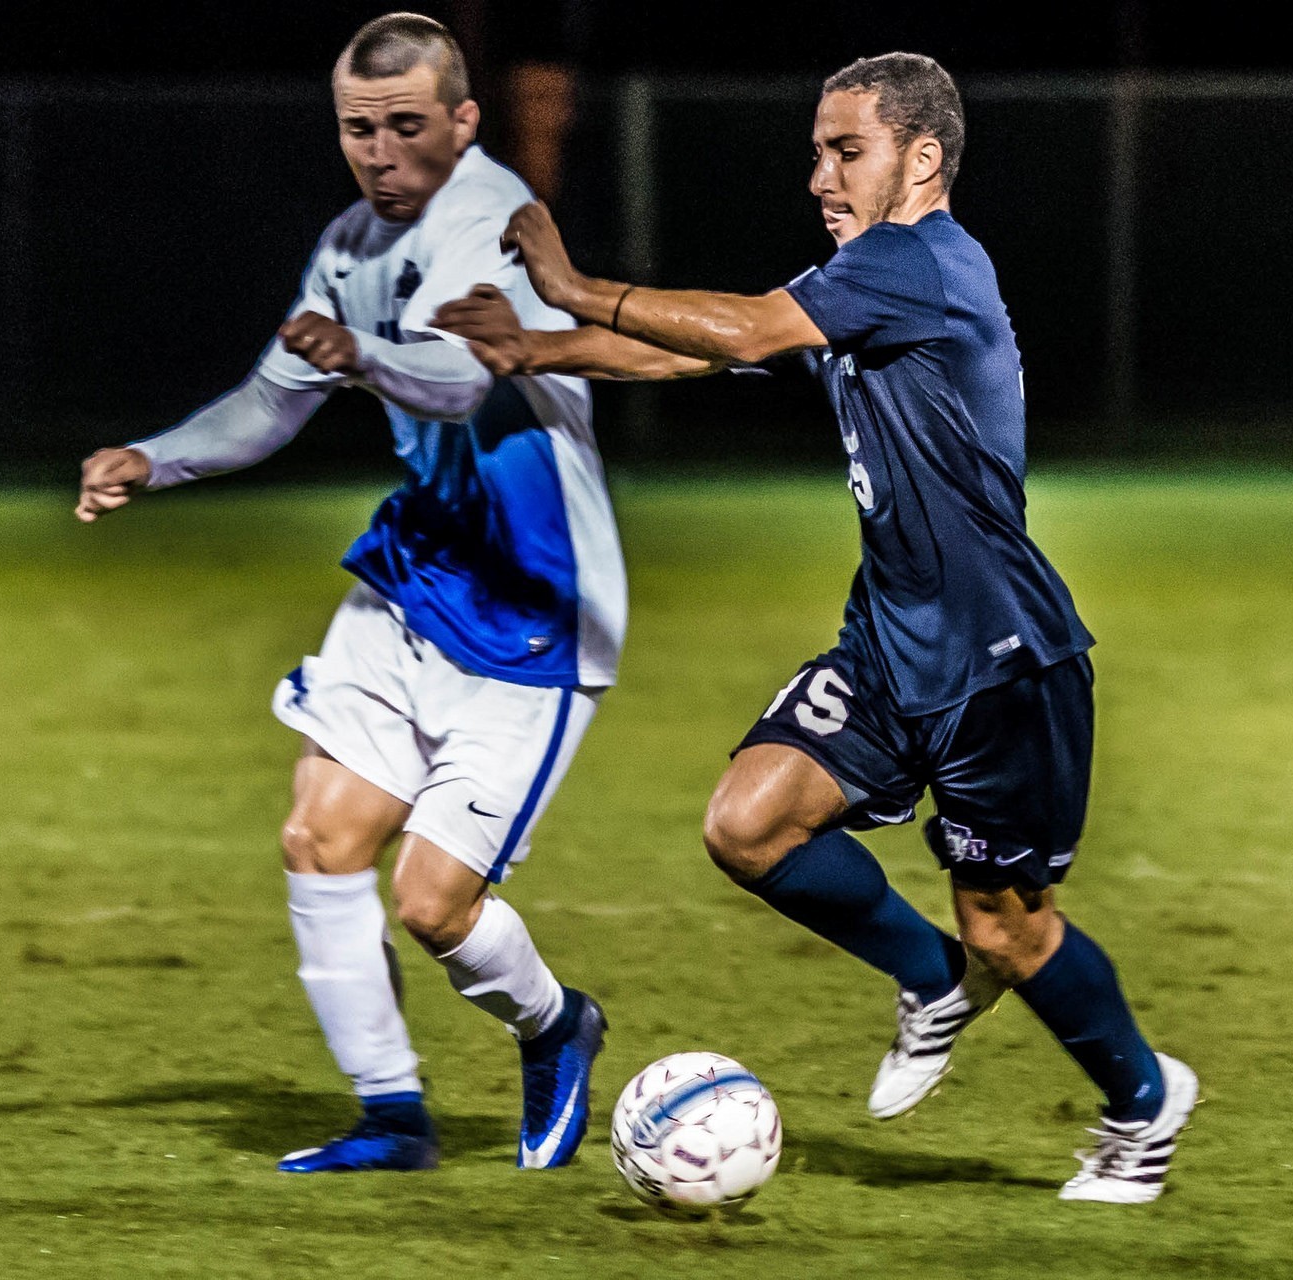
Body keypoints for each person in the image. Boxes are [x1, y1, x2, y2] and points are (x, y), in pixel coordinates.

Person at [435, 51, 1197, 1204]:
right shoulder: (866, 277)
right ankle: (927, 980)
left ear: (921, 158)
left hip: (998, 659)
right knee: (748, 823)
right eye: (816, 153)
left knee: (1009, 931)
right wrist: (544, 349)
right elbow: (705, 344)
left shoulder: (923, 263)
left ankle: (1141, 1101)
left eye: (847, 151)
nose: (820, 176)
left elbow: (742, 331)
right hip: (892, 641)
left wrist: (575, 288)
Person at [75, 12, 621, 1175]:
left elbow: (464, 381)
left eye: (406, 127)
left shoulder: (495, 221)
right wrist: (151, 457)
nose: (379, 152)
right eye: (358, 129)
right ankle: (391, 1116)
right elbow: (268, 405)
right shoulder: (346, 244)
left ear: (462, 122)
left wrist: (364, 359)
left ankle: (556, 1023)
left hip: (534, 610)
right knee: (319, 834)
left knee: (433, 902)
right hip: (413, 577)